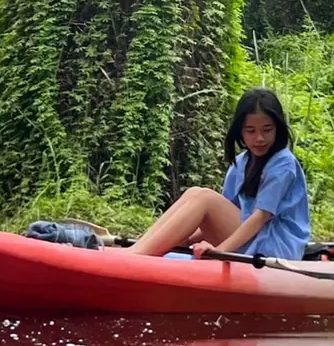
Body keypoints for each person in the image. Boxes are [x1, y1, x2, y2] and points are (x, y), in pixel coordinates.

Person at [128, 88, 311, 260]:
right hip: (250, 238)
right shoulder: (241, 162)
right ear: (240, 131)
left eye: (267, 130)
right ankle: (140, 247)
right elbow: (218, 219)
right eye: (251, 131)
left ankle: (136, 256)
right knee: (194, 193)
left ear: (277, 129)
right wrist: (184, 239)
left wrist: (220, 251)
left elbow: (259, 218)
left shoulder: (283, 163)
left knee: (205, 198)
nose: (259, 138)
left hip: (274, 247)